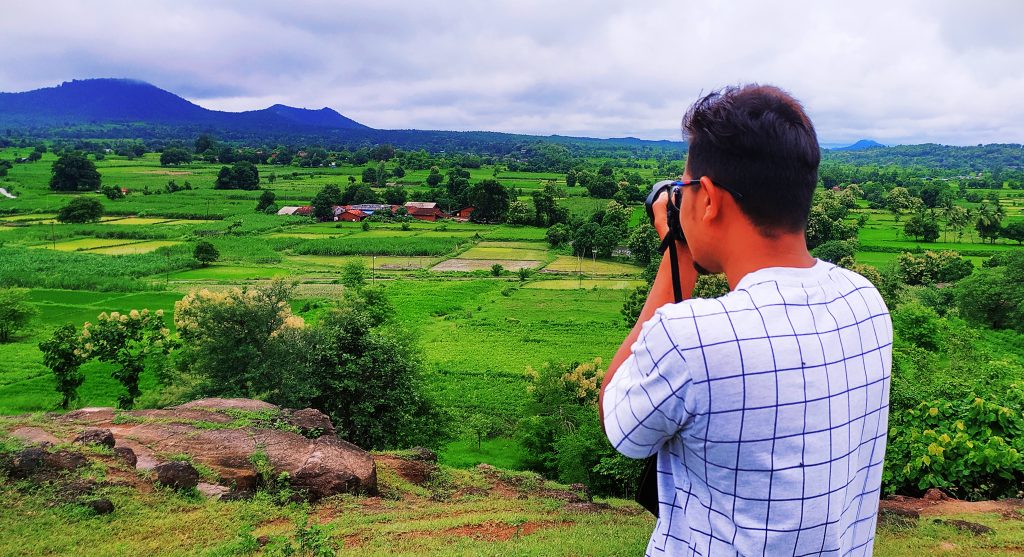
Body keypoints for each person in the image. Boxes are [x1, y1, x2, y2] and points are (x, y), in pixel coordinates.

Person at [599, 84, 892, 556]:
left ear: (709, 199)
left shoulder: (691, 338)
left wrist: (676, 255)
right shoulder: (866, 301)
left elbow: (620, 423)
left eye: (685, 189)